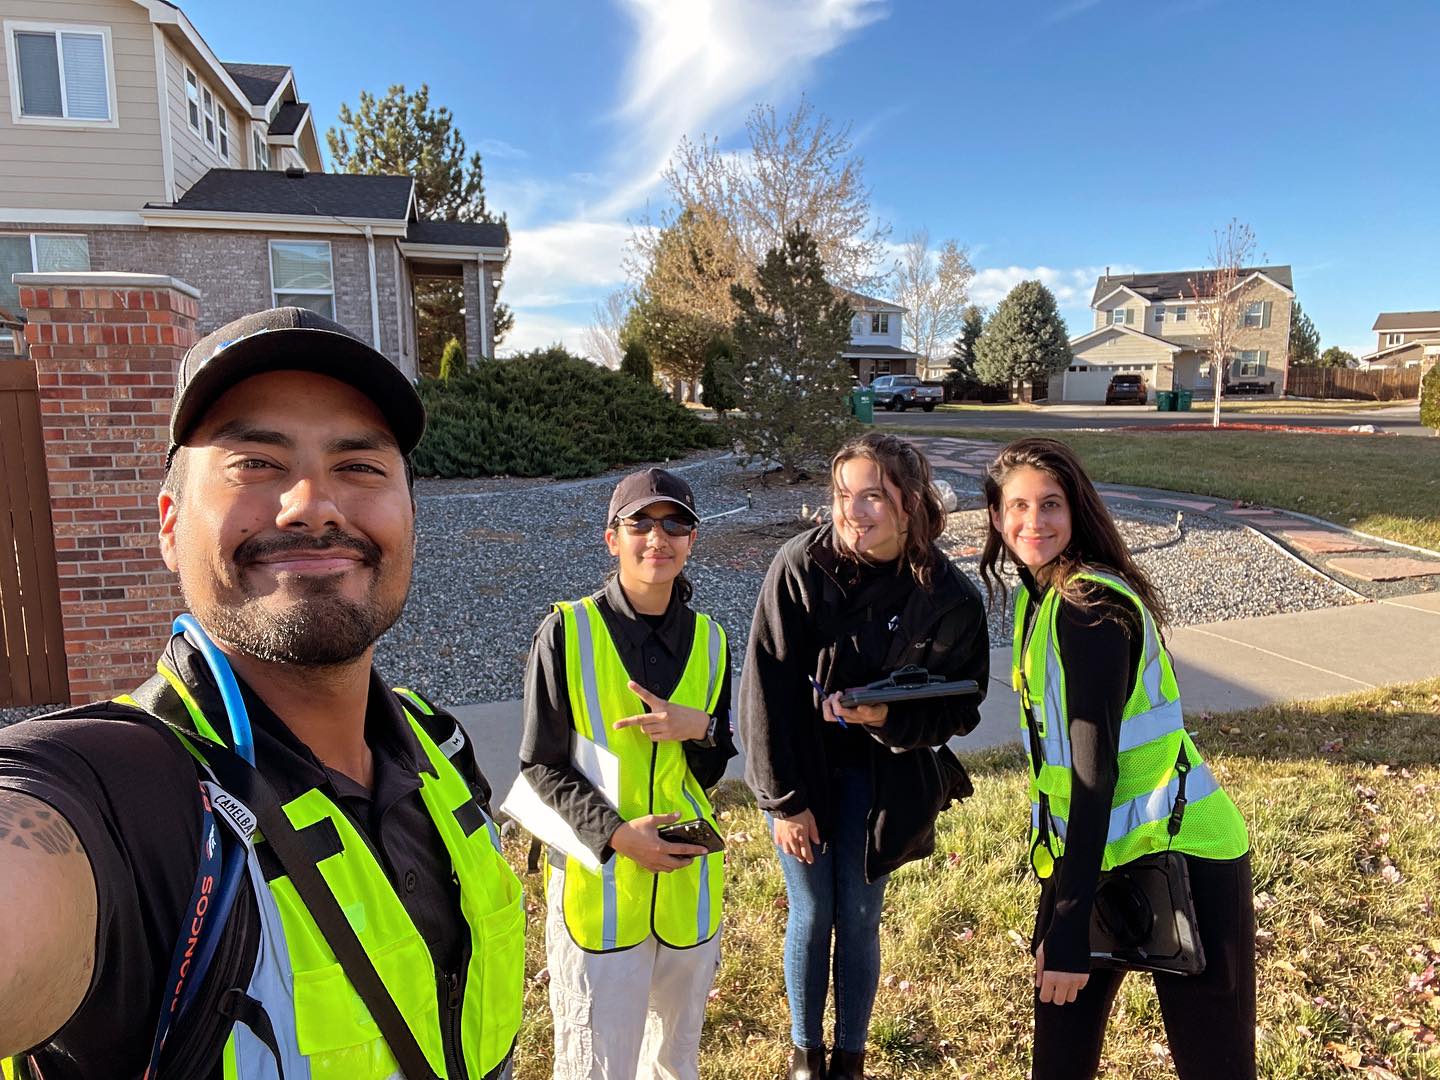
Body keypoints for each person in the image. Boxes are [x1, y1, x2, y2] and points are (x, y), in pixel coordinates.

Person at [0, 307, 525, 1079]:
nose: (313, 502)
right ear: (170, 525)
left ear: (410, 515)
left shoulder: (437, 745)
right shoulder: (126, 798)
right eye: (255, 463)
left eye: (359, 466)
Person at [978, 437, 1254, 1080]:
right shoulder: (1036, 599)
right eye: (1017, 506)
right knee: (1060, 1057)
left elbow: (1093, 773)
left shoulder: (1088, 608)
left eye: (1051, 504)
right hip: (1089, 856)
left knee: (1214, 1066)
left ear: (1076, 511)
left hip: (1184, 851)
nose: (1034, 522)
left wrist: (1071, 919)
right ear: (994, 518)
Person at [740, 432, 990, 1080]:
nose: (852, 511)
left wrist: (890, 716)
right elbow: (762, 690)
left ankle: (849, 1057)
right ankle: (805, 1054)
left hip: (884, 779)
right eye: (843, 495)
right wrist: (784, 802)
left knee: (857, 914)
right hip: (801, 772)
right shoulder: (801, 566)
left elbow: (962, 703)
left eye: (872, 496)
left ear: (909, 504)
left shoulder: (947, 596)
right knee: (813, 909)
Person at [518, 467, 735, 1080]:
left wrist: (702, 730)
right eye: (640, 523)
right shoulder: (566, 632)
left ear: (692, 540)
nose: (657, 538)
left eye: (675, 525)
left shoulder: (714, 640)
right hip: (601, 885)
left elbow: (712, 768)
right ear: (611, 538)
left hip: (686, 886)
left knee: (675, 1059)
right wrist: (618, 836)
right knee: (597, 1065)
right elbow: (539, 765)